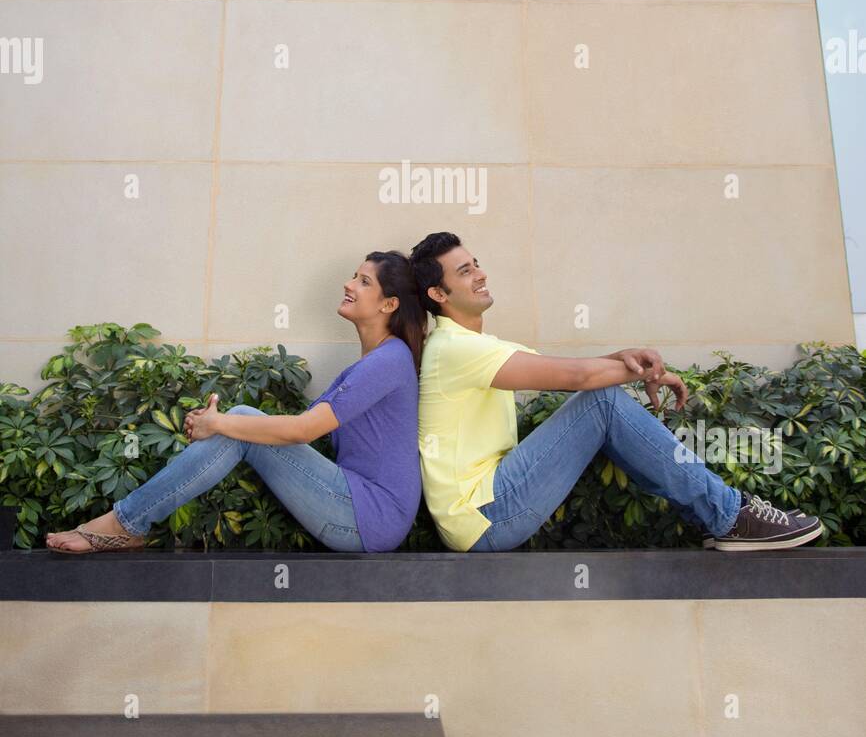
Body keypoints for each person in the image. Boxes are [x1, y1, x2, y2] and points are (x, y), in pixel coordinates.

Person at [407, 231, 823, 555]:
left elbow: (567, 371)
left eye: (476, 264)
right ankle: (730, 516)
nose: (480, 274)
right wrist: (642, 371)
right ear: (438, 295)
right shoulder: (455, 349)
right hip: (486, 515)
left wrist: (626, 360)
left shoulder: (472, 345)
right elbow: (579, 378)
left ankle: (722, 516)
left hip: (486, 509)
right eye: (465, 271)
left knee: (601, 399)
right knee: (601, 401)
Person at [45, 251, 425, 555]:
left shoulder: (388, 360)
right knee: (239, 424)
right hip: (359, 509)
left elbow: (303, 429)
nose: (348, 284)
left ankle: (125, 524)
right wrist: (221, 425)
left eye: (364, 281)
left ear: (389, 304)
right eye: (354, 276)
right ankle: (127, 523)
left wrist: (219, 423)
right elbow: (301, 426)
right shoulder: (378, 361)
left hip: (368, 518)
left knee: (238, 421)